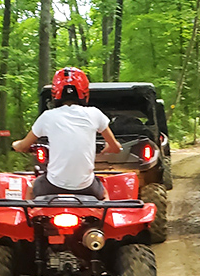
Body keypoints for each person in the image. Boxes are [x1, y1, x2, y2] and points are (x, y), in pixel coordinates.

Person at [12, 67, 122, 199]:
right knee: (104, 194)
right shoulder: (95, 114)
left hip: (52, 186)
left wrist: (15, 144)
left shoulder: (48, 116)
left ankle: (29, 219)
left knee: (31, 188)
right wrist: (109, 148)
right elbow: (115, 147)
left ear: (55, 92)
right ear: (84, 91)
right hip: (86, 188)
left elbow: (23, 146)